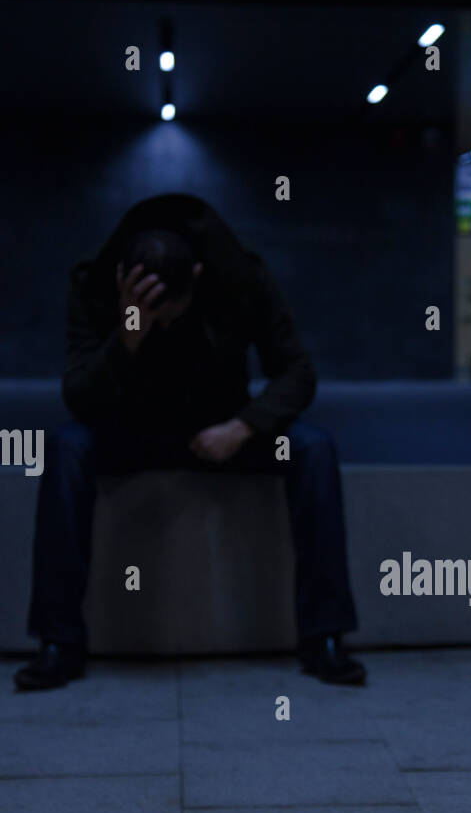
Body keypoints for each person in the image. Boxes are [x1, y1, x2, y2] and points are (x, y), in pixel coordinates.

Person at [14, 193, 366, 690]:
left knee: (313, 447)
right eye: (157, 316)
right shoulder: (93, 284)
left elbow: (296, 372)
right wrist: (130, 331)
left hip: (220, 433)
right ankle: (59, 642)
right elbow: (80, 400)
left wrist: (243, 427)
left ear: (198, 277)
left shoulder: (240, 277)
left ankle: (324, 636)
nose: (169, 324)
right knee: (66, 447)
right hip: (129, 433)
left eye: (174, 311)